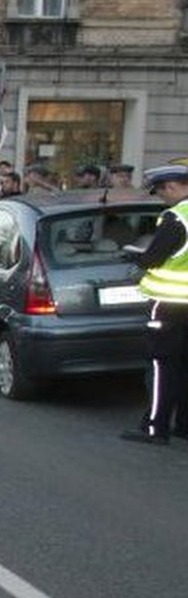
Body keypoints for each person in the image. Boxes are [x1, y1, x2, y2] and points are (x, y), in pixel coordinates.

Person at [120, 159, 188, 445]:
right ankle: (184, 426)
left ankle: (155, 427)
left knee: (162, 366)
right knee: (185, 365)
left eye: (161, 192)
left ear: (172, 186)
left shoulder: (176, 218)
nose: (161, 198)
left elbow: (153, 258)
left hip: (170, 303)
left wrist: (133, 254)